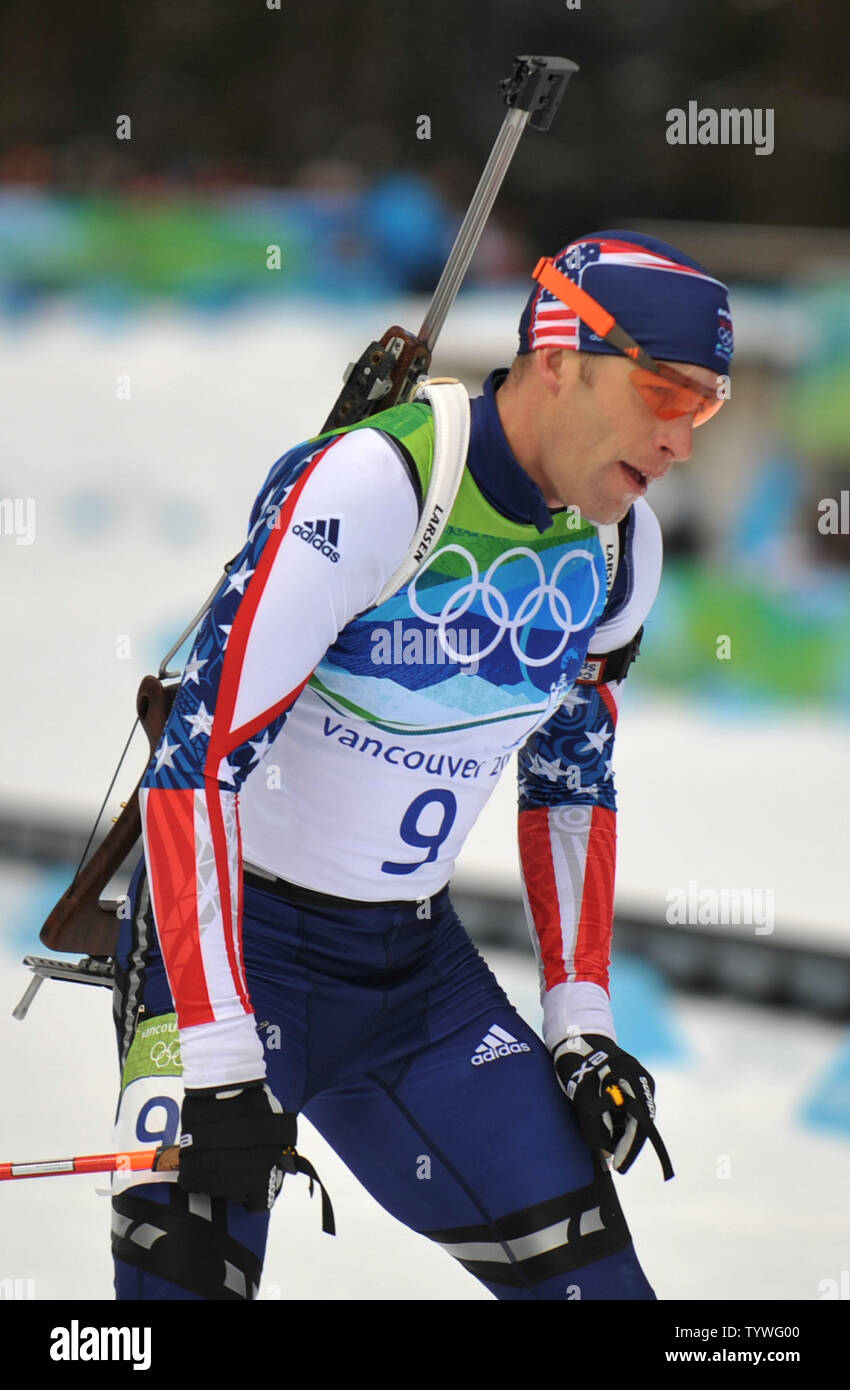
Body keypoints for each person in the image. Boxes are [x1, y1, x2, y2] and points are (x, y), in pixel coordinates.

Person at [110, 229, 733, 1301]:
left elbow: (572, 779)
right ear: (559, 358)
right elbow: (193, 764)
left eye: (706, 408)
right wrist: (213, 1053)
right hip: (227, 949)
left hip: (414, 972)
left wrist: (580, 1025)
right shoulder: (377, 486)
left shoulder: (620, 545)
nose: (683, 441)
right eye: (665, 393)